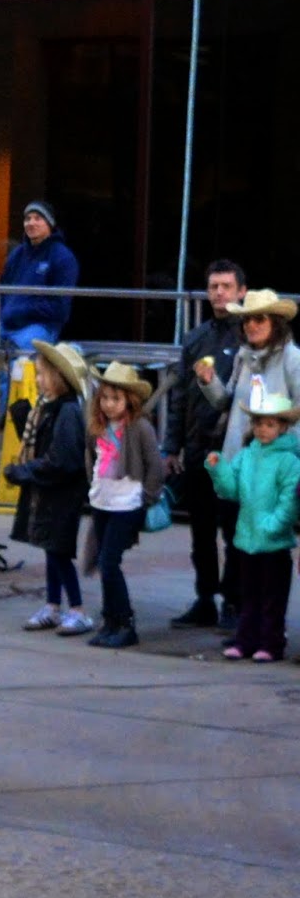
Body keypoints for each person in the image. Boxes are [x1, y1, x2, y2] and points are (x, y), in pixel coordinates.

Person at [193, 288, 300, 636]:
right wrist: (208, 382)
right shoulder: (243, 357)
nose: (251, 325)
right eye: (247, 319)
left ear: (276, 322)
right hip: (241, 463)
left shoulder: (291, 358)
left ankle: (267, 628)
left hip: (277, 468)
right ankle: (240, 614)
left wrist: (287, 456)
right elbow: (228, 404)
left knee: (270, 550)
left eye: (259, 318)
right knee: (236, 539)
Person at [162, 259, 246, 629]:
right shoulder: (196, 338)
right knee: (201, 532)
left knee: (234, 530)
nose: (219, 293)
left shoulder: (250, 337)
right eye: (213, 286)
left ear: (241, 291)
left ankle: (234, 601)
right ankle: (204, 599)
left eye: (226, 286)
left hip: (234, 451)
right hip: (197, 447)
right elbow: (179, 396)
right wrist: (171, 447)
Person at [4, 340, 92, 635]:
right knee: (51, 549)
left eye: (42, 374)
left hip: (63, 493)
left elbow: (61, 460)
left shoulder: (66, 412)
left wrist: (24, 471)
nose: (38, 380)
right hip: (52, 491)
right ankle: (54, 605)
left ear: (58, 378)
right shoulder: (50, 409)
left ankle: (77, 609)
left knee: (59, 551)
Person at [206, 391, 300, 662]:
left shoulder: (289, 461)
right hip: (247, 538)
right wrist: (219, 469)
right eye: (258, 423)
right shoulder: (247, 455)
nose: (262, 429)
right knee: (248, 595)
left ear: (283, 427)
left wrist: (274, 525)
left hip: (274, 542)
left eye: (270, 424)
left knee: (272, 597)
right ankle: (246, 640)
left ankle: (271, 643)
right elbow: (231, 489)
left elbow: (290, 500)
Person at [83, 361, 164, 649]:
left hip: (126, 504)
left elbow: (155, 465)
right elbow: (92, 461)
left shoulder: (140, 427)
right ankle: (110, 621)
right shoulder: (99, 427)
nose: (108, 404)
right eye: (104, 397)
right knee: (105, 564)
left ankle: (126, 623)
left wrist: (147, 498)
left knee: (109, 562)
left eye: (115, 399)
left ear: (129, 400)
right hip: (102, 502)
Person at [0, 200, 79, 350]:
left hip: (40, 327)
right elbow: (2, 289)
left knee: (16, 353)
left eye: (37, 218)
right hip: (5, 324)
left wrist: (23, 310)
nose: (31, 223)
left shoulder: (63, 257)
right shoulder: (17, 254)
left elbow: (60, 307)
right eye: (27, 218)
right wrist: (5, 313)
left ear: (50, 223)